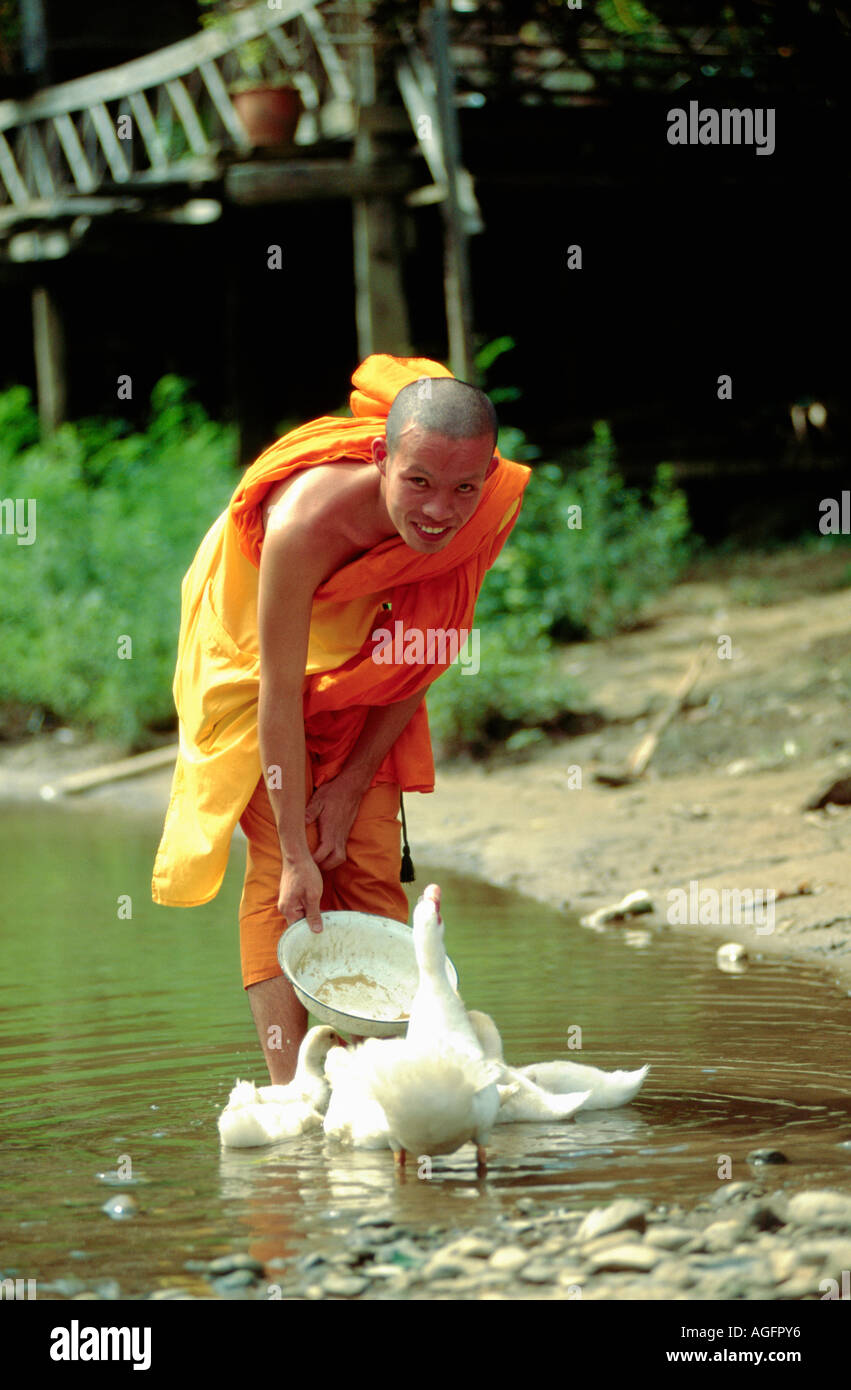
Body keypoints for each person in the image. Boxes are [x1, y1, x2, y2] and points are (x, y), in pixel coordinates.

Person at [152, 354, 530, 1082]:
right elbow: (277, 694)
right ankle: (294, 1093)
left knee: (367, 863)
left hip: (366, 663)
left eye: (461, 487)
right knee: (285, 883)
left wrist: (355, 779)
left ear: (484, 476)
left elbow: (421, 651)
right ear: (381, 457)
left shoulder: (483, 511)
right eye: (417, 481)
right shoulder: (304, 523)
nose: (438, 511)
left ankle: (391, 1087)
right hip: (255, 667)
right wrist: (295, 845)